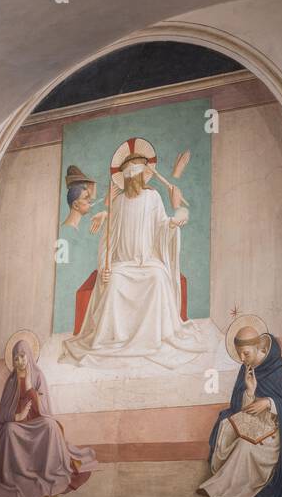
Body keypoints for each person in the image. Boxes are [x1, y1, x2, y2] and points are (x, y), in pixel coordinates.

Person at [60, 138, 209, 369]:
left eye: (136, 174)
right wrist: (106, 266)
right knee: (114, 283)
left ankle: (154, 338)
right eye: (128, 176)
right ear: (124, 178)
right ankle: (114, 338)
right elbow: (109, 239)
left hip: (148, 261)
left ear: (142, 175)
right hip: (124, 263)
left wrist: (172, 223)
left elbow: (161, 225)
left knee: (158, 278)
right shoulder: (118, 202)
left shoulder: (153, 197)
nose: (133, 179)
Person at [197, 316, 282, 497]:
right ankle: (224, 476)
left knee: (244, 446)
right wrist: (250, 391)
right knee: (225, 425)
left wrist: (269, 403)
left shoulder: (278, 370)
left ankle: (222, 488)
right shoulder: (247, 368)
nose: (242, 359)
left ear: (260, 348)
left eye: (246, 353)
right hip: (253, 423)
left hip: (275, 432)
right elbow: (240, 406)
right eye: (240, 354)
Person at [0, 333, 97, 497]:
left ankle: (47, 468)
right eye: (16, 357)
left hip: (37, 422)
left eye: (22, 356)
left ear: (29, 356)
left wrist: (29, 387)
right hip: (18, 425)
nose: (19, 361)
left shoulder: (38, 376)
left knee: (51, 426)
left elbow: (45, 409)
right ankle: (18, 472)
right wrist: (16, 415)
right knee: (8, 430)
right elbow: (3, 414)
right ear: (12, 360)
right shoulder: (11, 382)